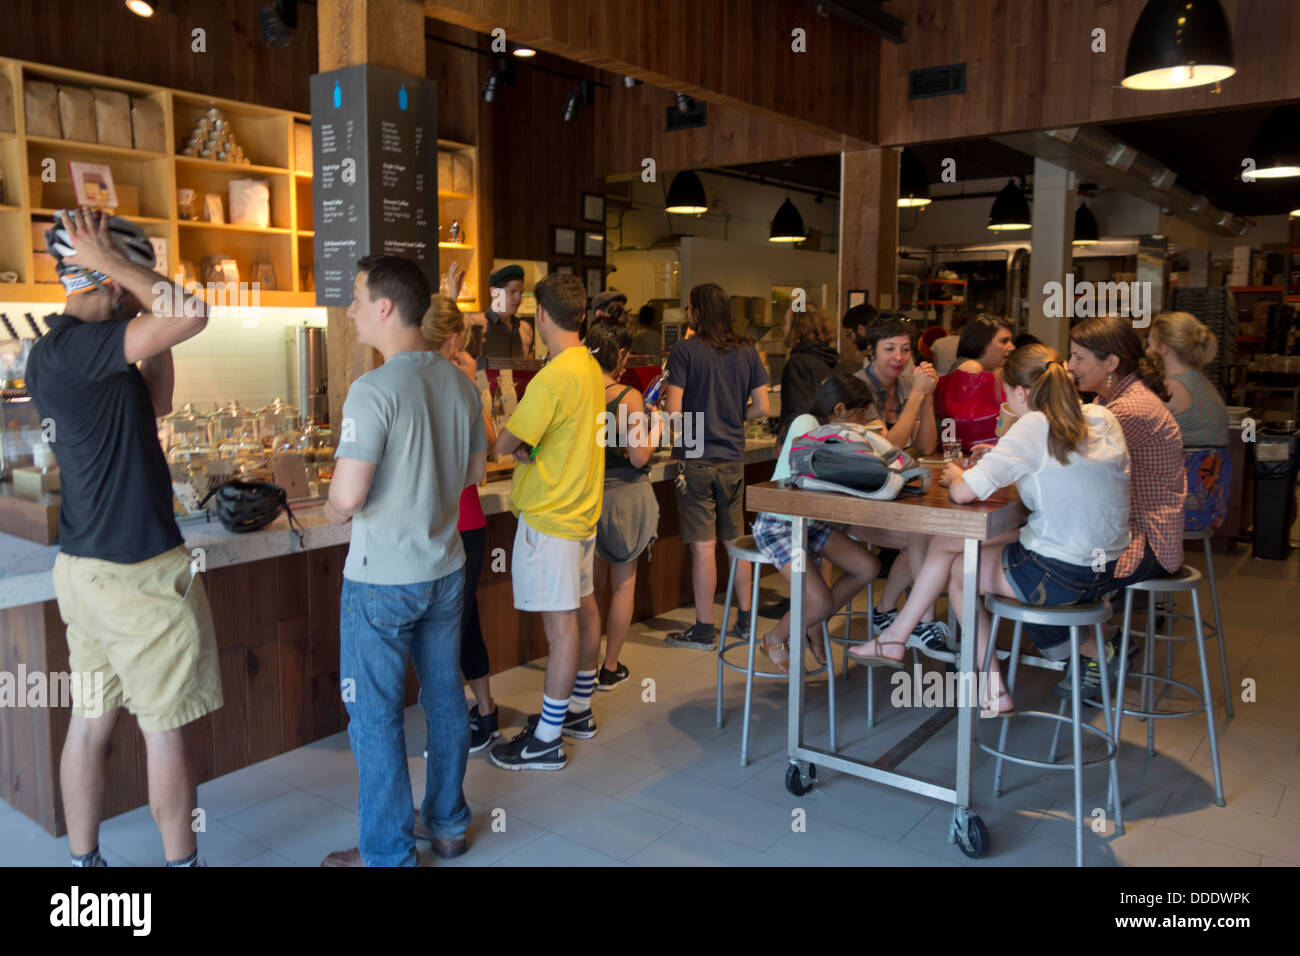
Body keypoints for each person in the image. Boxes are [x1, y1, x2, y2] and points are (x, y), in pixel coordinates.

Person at [27, 209, 220, 869]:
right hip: (136, 576)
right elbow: (193, 313)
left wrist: (138, 300)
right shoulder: (79, 348)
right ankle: (181, 864)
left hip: (87, 574)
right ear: (107, 278)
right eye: (131, 277)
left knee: (91, 722)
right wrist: (122, 267)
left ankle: (87, 866)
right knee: (163, 735)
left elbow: (159, 400)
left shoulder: (73, 350)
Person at [848, 344, 1131, 715]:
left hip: (1060, 571)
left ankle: (980, 681)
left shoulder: (1033, 423)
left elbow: (964, 493)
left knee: (959, 572)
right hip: (1108, 570)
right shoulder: (1099, 416)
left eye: (1006, 395)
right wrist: (1000, 454)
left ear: (1022, 393)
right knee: (950, 544)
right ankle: (899, 638)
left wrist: (960, 474)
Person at [322, 255, 485, 867]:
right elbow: (473, 473)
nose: (351, 310)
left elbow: (345, 497)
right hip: (445, 568)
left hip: (381, 580)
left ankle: (387, 854)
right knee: (445, 699)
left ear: (386, 307)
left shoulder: (372, 390)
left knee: (374, 714)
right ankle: (446, 825)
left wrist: (338, 509)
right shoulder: (459, 381)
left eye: (358, 299)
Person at [489, 273, 606, 770]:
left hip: (551, 518)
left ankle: (546, 741)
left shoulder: (553, 375)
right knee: (581, 611)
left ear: (540, 315)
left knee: (561, 632)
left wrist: (517, 444)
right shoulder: (589, 368)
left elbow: (503, 444)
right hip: (581, 513)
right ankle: (578, 710)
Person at [1062, 314, 1186, 695]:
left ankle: (1100, 648)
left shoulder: (1126, 411)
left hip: (1147, 539)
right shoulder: (1110, 400)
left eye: (1079, 358)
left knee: (1056, 571)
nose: (1070, 367)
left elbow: (1072, 470)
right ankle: (1105, 637)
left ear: (1111, 363)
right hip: (1129, 529)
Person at [662, 283, 770, 650]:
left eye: (690, 308)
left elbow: (674, 411)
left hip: (694, 457)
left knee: (703, 547)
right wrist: (732, 417)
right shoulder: (747, 350)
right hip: (732, 458)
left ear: (697, 312)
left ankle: (705, 629)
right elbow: (763, 407)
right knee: (734, 542)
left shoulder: (684, 351)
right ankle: (745, 620)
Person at [751, 374, 881, 672]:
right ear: (839, 410)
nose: (863, 420)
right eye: (860, 412)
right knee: (820, 603)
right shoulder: (807, 423)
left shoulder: (828, 431)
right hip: (780, 524)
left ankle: (811, 621)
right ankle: (775, 636)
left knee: (868, 567)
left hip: (810, 522)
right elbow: (809, 477)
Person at [423, 291, 501, 752]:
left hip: (443, 521)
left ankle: (452, 726)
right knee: (462, 620)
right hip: (467, 521)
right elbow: (488, 446)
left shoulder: (425, 380)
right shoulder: (461, 377)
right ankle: (485, 713)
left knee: (444, 628)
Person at [586, 320, 662, 689]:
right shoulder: (628, 397)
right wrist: (657, 426)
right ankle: (610, 667)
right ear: (620, 355)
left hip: (585, 496)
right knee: (622, 585)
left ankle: (584, 664)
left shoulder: (577, 391)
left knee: (589, 587)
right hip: (623, 498)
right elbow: (638, 456)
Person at [854, 313, 939, 455]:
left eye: (905, 349)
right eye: (889, 349)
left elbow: (926, 448)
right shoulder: (858, 387)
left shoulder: (907, 385)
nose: (899, 357)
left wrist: (927, 395)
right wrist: (917, 394)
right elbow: (887, 450)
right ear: (872, 351)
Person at [934, 313, 1014, 452]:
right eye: (1004, 341)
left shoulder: (983, 369)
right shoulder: (971, 368)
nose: (1011, 347)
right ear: (984, 344)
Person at [1148, 311, 1229, 448]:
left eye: (1150, 345)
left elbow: (1139, 433)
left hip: (1187, 468)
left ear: (1163, 349)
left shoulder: (1171, 388)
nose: (1147, 351)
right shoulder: (1202, 381)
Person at [777, 303, 839, 444]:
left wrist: (782, 437)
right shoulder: (830, 360)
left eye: (786, 323)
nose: (783, 328)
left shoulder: (797, 363)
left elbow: (796, 413)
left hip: (805, 445)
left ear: (798, 328)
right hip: (828, 439)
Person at [475, 263, 533, 368]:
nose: (518, 298)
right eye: (512, 292)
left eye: (521, 292)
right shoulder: (476, 326)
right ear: (494, 292)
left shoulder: (525, 329)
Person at [836, 302, 877, 375]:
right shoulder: (870, 358)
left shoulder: (879, 360)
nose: (850, 340)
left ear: (861, 329)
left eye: (849, 334)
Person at [930, 310, 969, 375]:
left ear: (951, 325)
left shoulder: (937, 342)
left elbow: (935, 365)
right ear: (964, 327)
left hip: (940, 380)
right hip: (957, 380)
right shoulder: (966, 343)